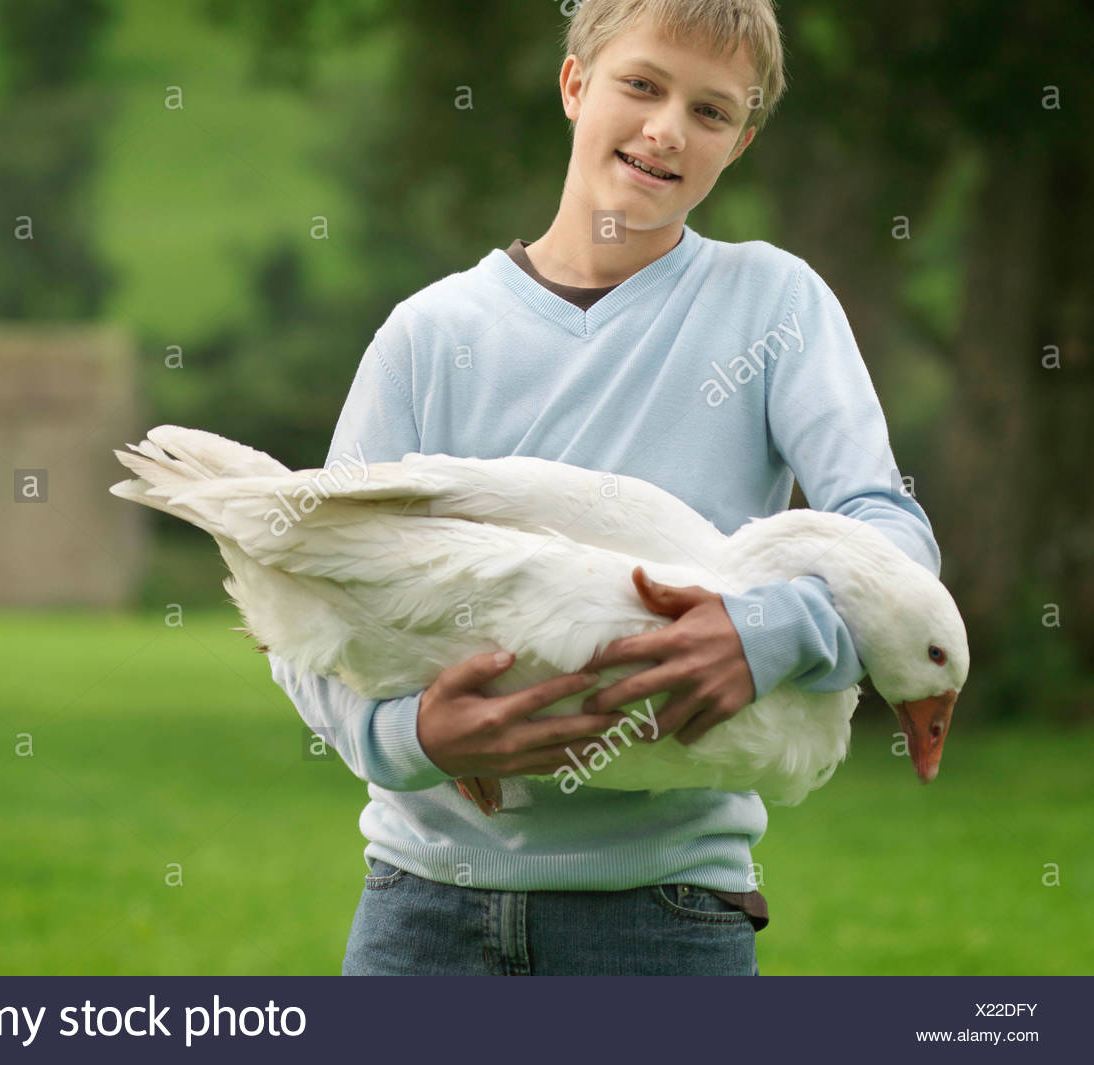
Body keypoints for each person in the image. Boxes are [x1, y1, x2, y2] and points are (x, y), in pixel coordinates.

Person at [270, 0, 941, 976]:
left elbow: (890, 542)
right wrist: (407, 733)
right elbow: (305, 596)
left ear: (741, 142)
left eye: (711, 113)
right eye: (642, 85)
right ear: (575, 84)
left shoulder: (773, 304)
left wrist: (774, 632)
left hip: (666, 918)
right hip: (422, 913)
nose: (668, 128)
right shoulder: (426, 335)